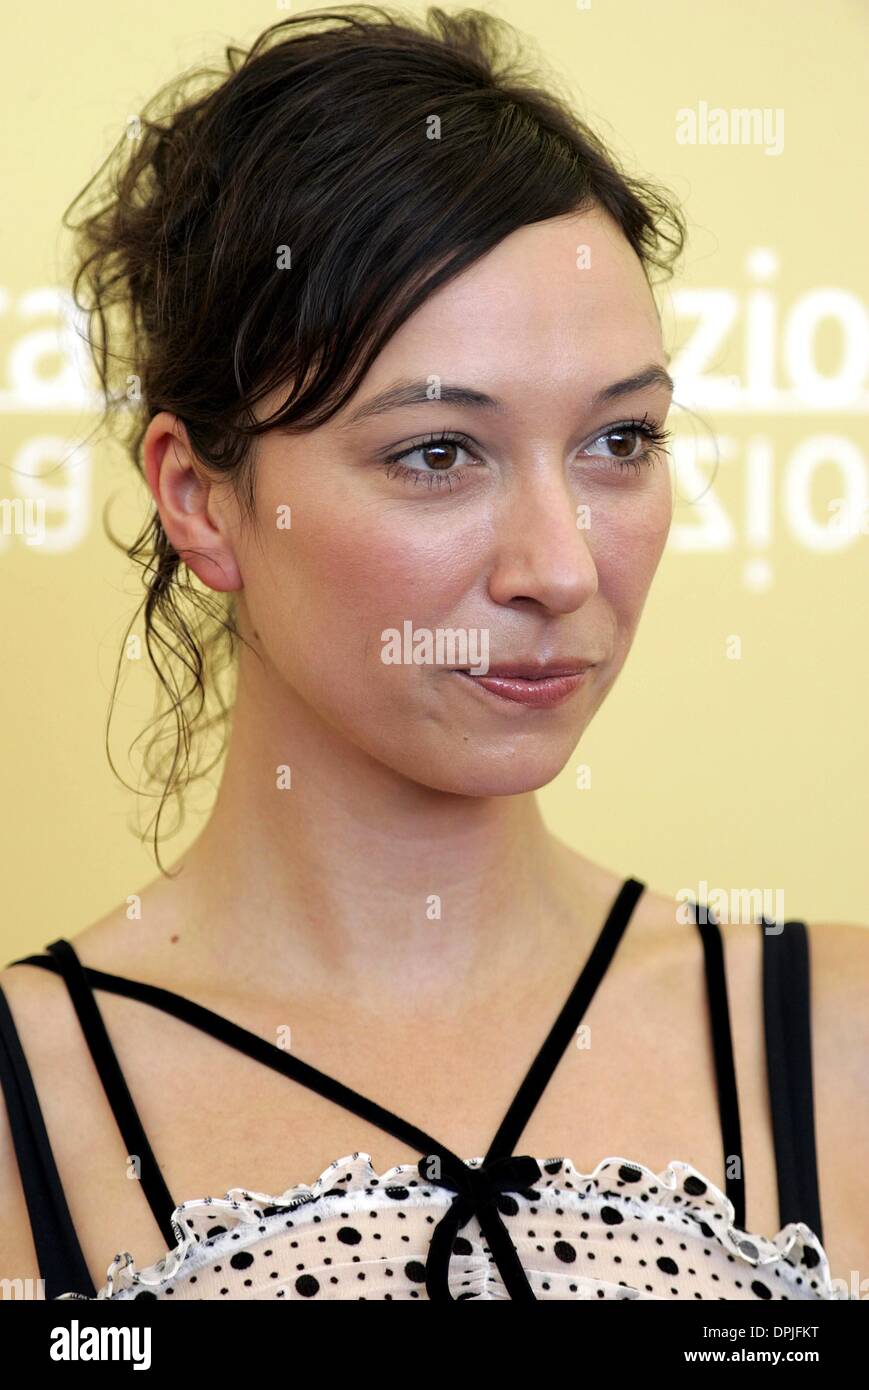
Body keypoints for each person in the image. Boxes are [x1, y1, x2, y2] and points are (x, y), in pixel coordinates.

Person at [1, 5, 866, 1302]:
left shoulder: (838, 1041)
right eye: (436, 453)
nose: (561, 566)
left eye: (618, 441)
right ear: (198, 498)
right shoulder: (30, 1104)